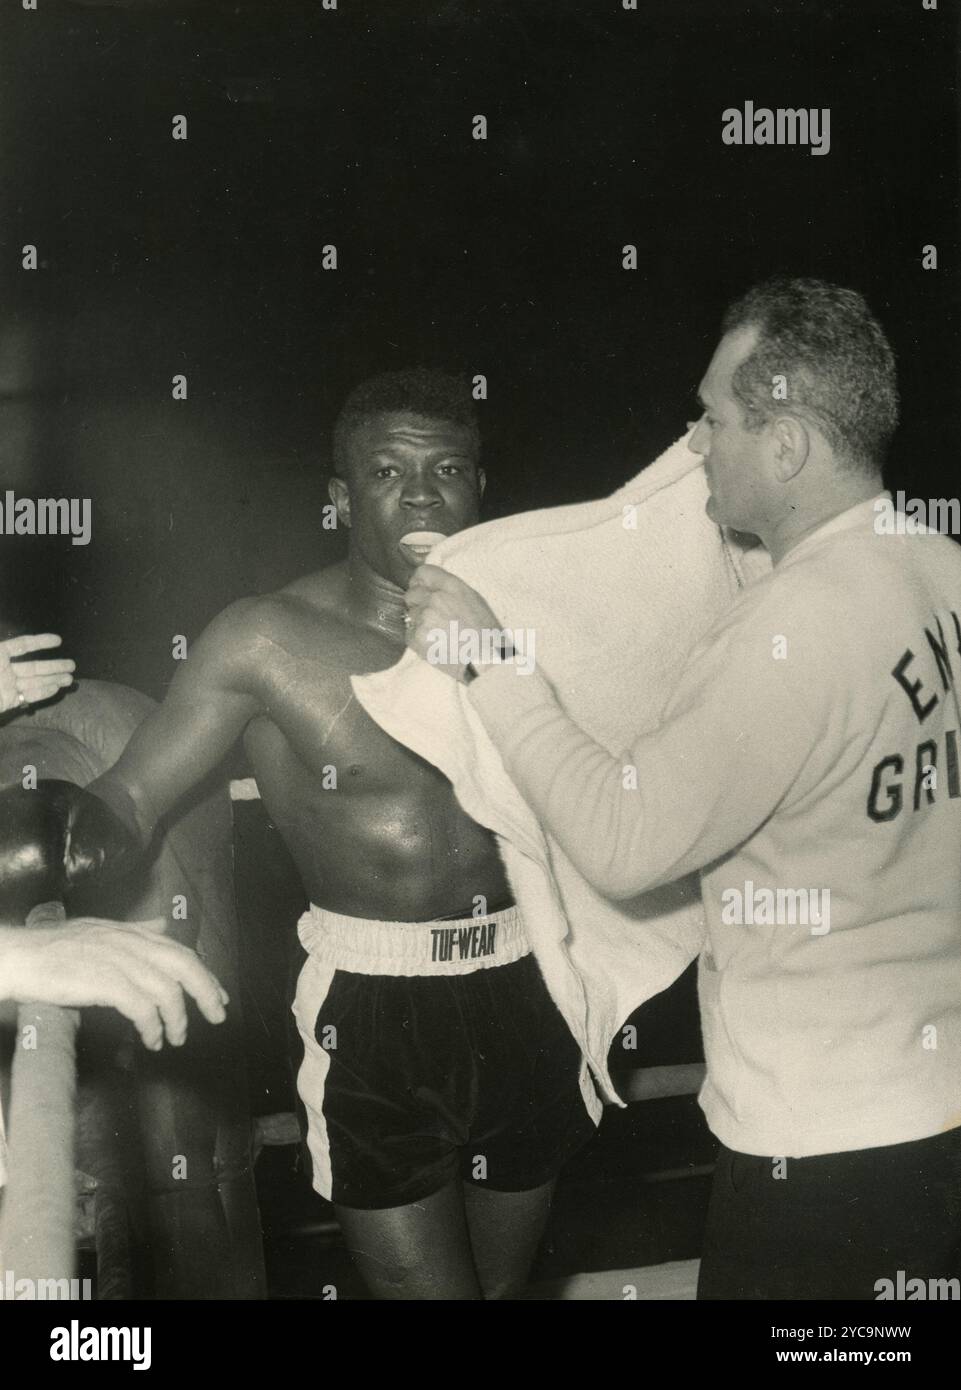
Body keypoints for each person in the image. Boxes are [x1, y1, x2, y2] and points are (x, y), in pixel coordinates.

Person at [405, 278, 961, 1300]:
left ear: (786, 445)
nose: (697, 444)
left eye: (713, 417)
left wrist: (492, 659)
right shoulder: (942, 571)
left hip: (819, 1146)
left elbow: (623, 842)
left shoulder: (788, 630)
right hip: (938, 1113)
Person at [0, 369, 594, 1301]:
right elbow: (127, 800)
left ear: (481, 488)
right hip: (372, 1009)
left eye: (448, 469)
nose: (423, 493)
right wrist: (47, 841)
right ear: (340, 499)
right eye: (389, 472)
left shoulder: (538, 623)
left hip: (529, 986)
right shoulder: (265, 639)